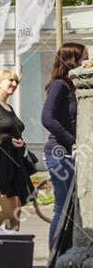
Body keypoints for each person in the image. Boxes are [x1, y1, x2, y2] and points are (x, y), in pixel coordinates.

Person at [42, 41, 85, 248]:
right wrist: (72, 141)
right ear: (72, 60)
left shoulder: (73, 86)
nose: (87, 62)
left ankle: (65, 252)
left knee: (72, 207)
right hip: (59, 153)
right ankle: (54, 261)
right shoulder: (60, 85)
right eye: (84, 58)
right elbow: (47, 118)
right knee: (62, 207)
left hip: (70, 153)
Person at [0, 69, 31, 231]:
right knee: (9, 212)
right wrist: (3, 140)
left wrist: (18, 142)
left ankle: (12, 250)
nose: (14, 84)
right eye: (10, 80)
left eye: (16, 82)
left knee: (16, 213)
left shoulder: (8, 107)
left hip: (13, 164)